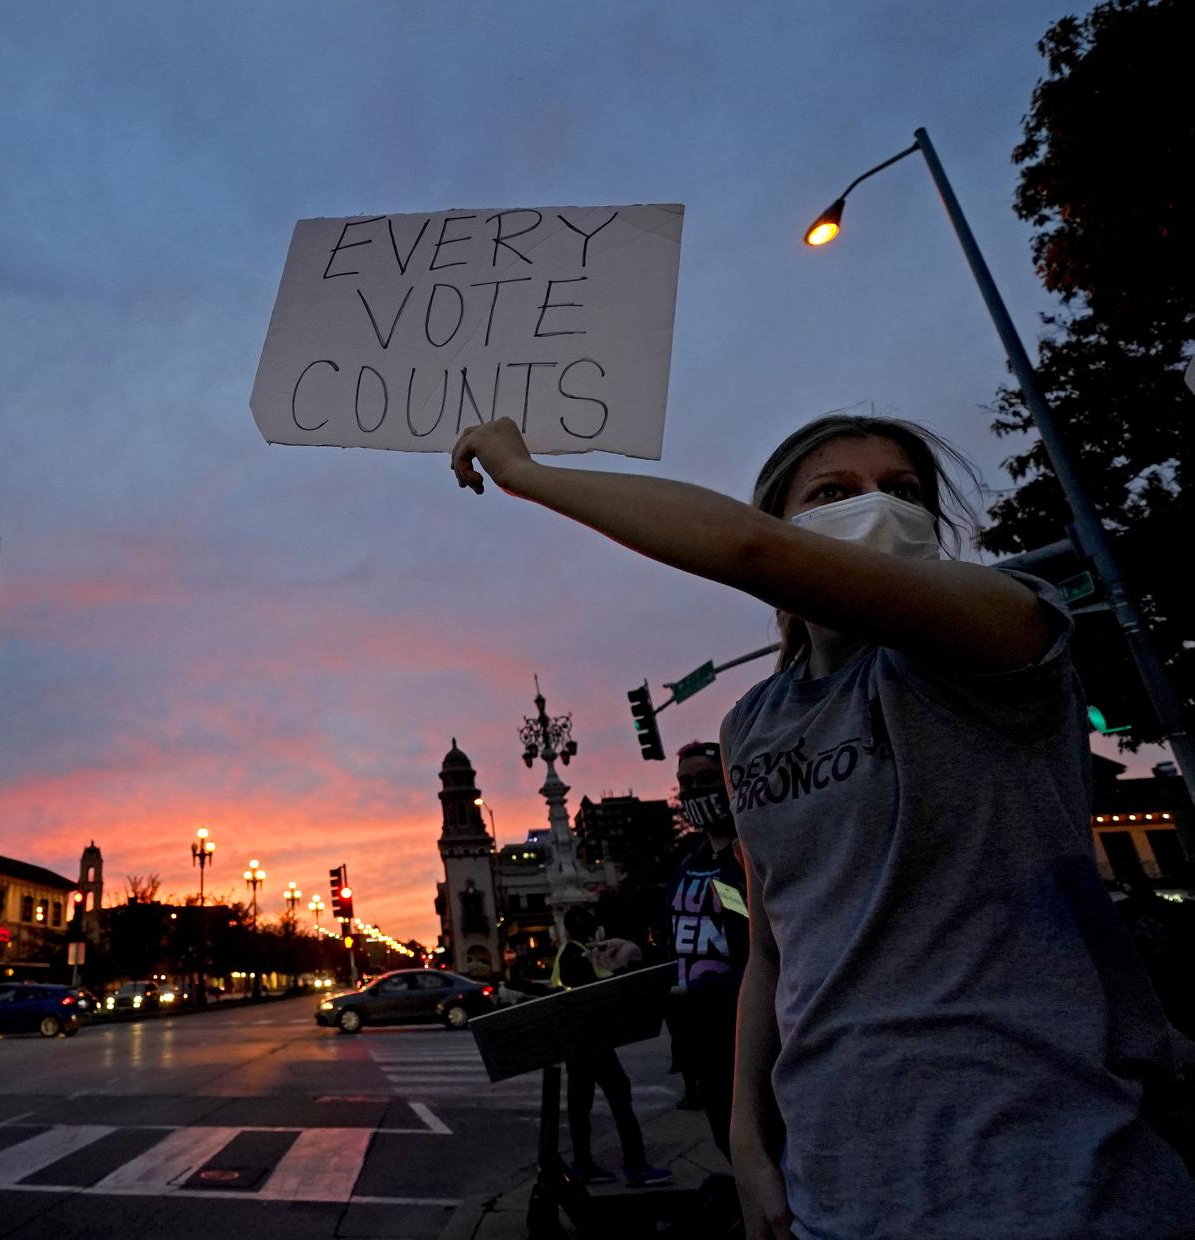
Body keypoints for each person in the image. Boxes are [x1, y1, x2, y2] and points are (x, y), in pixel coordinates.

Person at [452, 412, 1195, 1239]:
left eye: (904, 491)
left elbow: (750, 551)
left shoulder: (1008, 628)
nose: (877, 506)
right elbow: (773, 948)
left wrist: (525, 473)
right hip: (835, 1184)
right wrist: (748, 1139)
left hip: (1049, 1173)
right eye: (834, 493)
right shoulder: (752, 727)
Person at [666, 739, 747, 1161]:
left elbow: (766, 950)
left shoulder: (751, 854)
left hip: (746, 1034)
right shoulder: (689, 860)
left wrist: (709, 992)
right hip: (701, 1040)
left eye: (704, 779)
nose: (693, 791)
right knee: (725, 1141)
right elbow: (679, 940)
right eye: (684, 783)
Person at [553, 904, 672, 1188]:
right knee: (619, 1096)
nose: (594, 931)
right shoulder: (575, 955)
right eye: (591, 927)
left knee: (581, 1105)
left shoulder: (569, 953)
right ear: (583, 929)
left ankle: (584, 1164)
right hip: (591, 1041)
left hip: (577, 1042)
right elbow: (590, 989)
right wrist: (616, 969)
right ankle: (635, 1165)